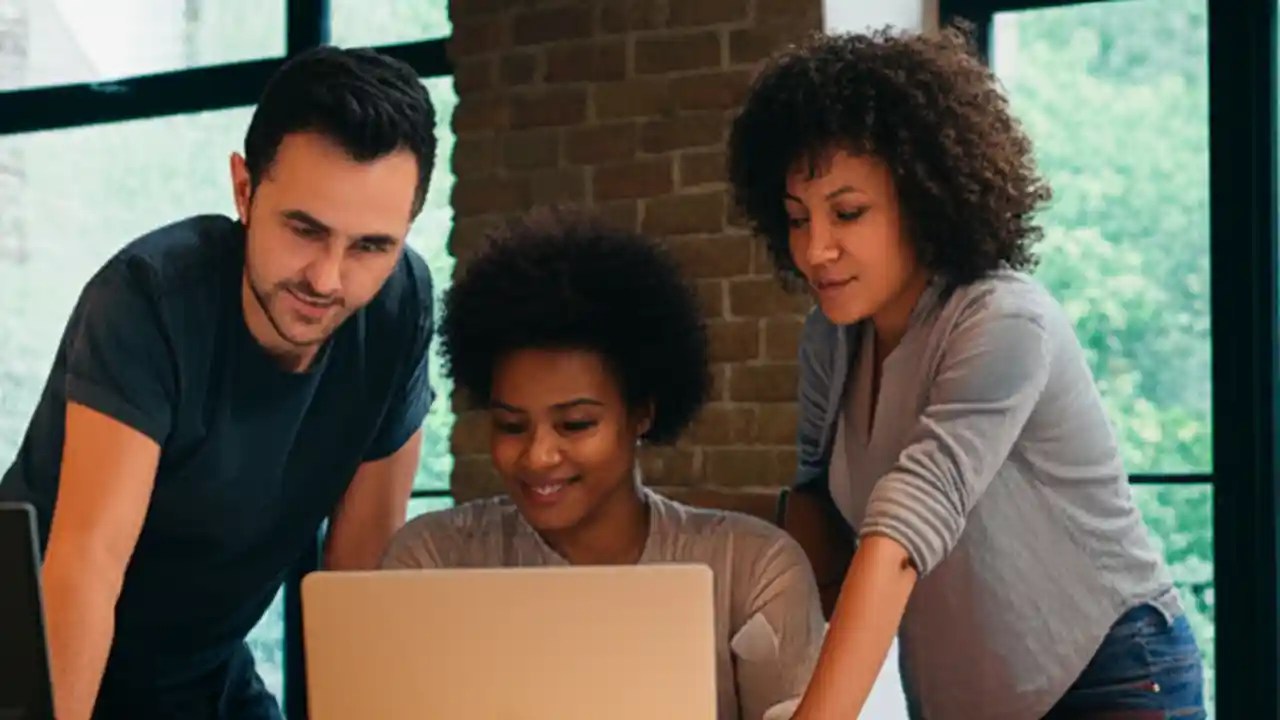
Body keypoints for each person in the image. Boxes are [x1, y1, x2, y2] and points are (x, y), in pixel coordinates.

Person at [726, 26, 1206, 720]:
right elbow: (818, 512)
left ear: (922, 198)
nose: (815, 249)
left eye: (848, 212)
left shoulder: (1004, 320)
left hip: (1113, 676)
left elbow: (901, 531)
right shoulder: (829, 342)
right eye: (797, 218)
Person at [0, 46, 437, 720]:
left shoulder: (399, 307)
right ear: (243, 189)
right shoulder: (151, 300)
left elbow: (358, 576)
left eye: (369, 246)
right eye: (304, 229)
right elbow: (87, 568)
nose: (327, 277)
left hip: (201, 677)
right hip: (38, 667)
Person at [381, 208, 826, 720]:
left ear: (641, 413)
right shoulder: (432, 563)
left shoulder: (751, 570)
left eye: (574, 425)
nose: (538, 455)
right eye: (511, 426)